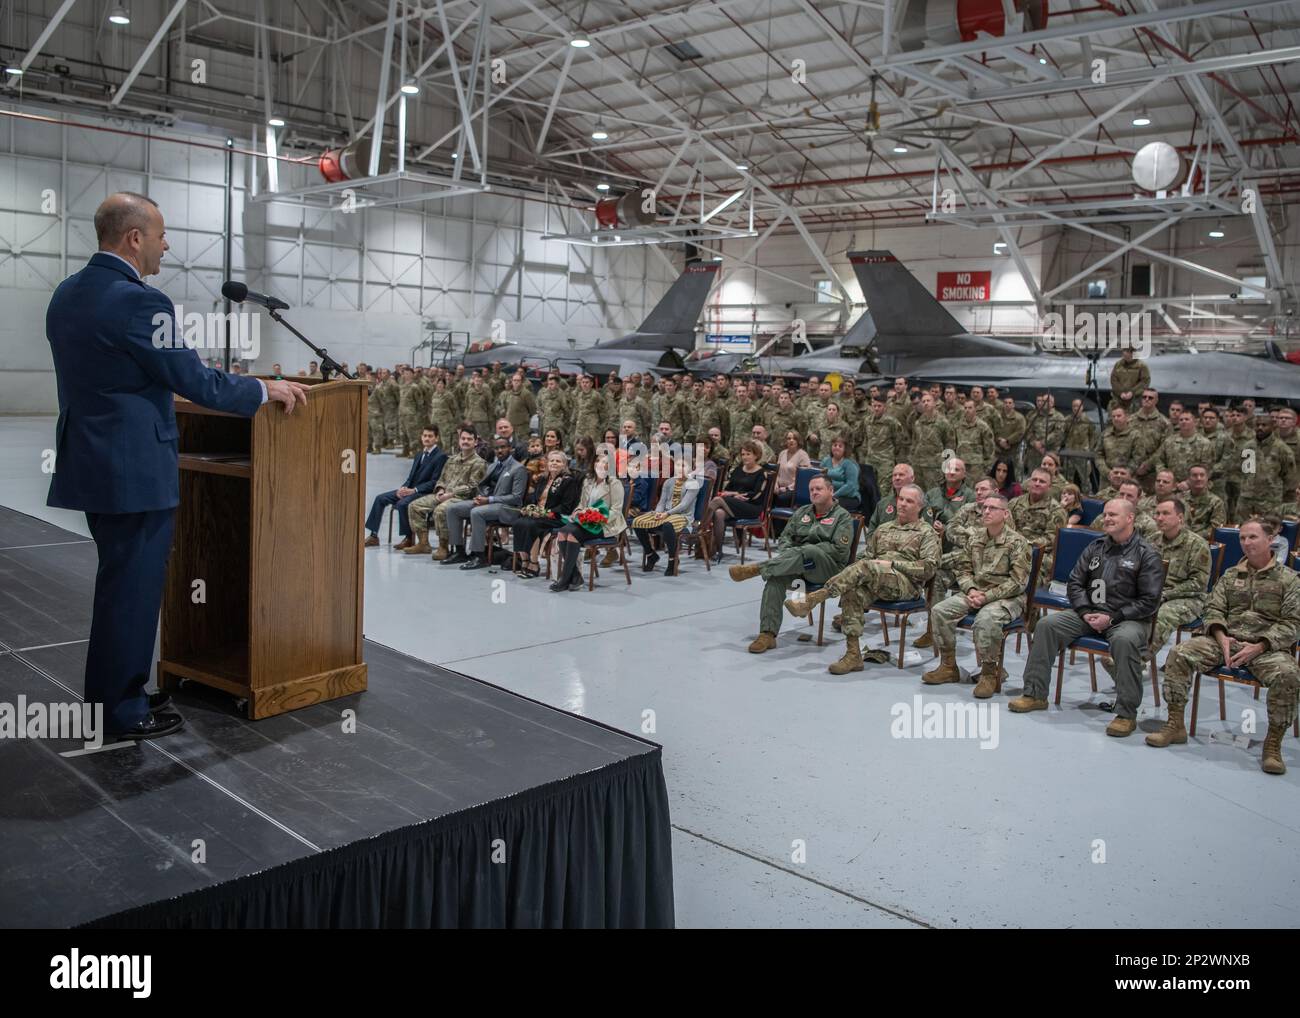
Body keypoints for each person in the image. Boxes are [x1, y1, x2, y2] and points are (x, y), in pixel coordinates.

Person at [46, 192, 306, 741]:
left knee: (120, 584)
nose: (168, 244)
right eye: (161, 234)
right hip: (134, 470)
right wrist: (264, 388)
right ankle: (119, 711)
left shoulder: (68, 294)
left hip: (91, 463)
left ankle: (118, 693)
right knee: (133, 590)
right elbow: (196, 381)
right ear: (134, 238)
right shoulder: (141, 302)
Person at [1007, 499, 1163, 736]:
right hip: (1088, 614)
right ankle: (1035, 694)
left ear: (1130, 518)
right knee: (1047, 625)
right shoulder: (1095, 547)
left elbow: (1149, 601)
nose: (1107, 519)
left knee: (1125, 640)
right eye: (1106, 514)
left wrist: (1112, 618)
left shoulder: (1146, 554)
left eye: (1113, 515)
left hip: (1126, 619)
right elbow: (1076, 582)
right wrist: (1084, 611)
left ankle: (1125, 713)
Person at [1155, 518, 1299, 772]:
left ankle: (1273, 744)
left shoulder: (1290, 580)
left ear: (1270, 540)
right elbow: (1213, 608)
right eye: (1242, 538)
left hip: (1266, 648)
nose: (1246, 542)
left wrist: (1261, 646)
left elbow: (1292, 623)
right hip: (1225, 641)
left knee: (1288, 674)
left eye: (1253, 537)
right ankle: (1175, 723)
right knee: (1179, 653)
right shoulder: (1231, 575)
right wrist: (1221, 637)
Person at [785, 484, 940, 673]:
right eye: (901, 499)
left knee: (868, 566)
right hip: (876, 579)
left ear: (920, 507)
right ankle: (853, 655)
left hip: (906, 585)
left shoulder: (926, 533)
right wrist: (853, 568)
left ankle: (815, 598)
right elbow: (867, 556)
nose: (903, 504)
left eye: (910, 501)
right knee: (853, 591)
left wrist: (892, 565)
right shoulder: (883, 529)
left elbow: (929, 568)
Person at [922, 493, 1033, 698]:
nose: (987, 511)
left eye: (993, 508)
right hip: (976, 592)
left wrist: (986, 597)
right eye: (985, 508)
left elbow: (1018, 582)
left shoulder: (1018, 542)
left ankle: (990, 673)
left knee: (986, 618)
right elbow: (963, 569)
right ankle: (948, 666)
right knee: (940, 610)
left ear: (1006, 514)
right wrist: (972, 590)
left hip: (1008, 597)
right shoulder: (975, 538)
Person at [728, 475, 854, 652]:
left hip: (827, 570)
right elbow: (785, 538)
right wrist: (791, 553)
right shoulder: (803, 512)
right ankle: (767, 634)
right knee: (775, 578)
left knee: (810, 551)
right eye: (811, 490)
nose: (814, 492)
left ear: (831, 491)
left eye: (819, 488)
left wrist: (804, 550)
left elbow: (838, 550)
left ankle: (758, 568)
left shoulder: (843, 517)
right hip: (798, 566)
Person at [443, 436, 530, 569]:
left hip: (508, 508)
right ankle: (459, 551)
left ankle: (479, 556)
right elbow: (483, 485)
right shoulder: (493, 466)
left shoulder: (518, 469)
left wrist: (489, 500)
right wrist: (481, 497)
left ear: (510, 449)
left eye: (503, 447)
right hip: (488, 503)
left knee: (477, 512)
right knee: (452, 509)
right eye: (497, 448)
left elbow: (516, 498)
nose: (499, 450)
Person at [404, 426, 488, 558]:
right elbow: (442, 478)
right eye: (463, 438)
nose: (465, 441)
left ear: (475, 442)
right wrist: (440, 489)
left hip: (463, 498)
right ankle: (423, 543)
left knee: (440, 510)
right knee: (414, 506)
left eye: (469, 439)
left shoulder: (479, 463)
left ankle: (443, 547)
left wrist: (450, 494)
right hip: (444, 494)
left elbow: (472, 486)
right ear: (459, 440)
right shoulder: (451, 460)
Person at [549, 454, 627, 592]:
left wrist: (599, 518)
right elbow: (582, 503)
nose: (600, 464)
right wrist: (578, 511)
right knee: (562, 533)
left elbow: (616, 510)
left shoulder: (614, 483)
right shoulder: (588, 481)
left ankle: (564, 579)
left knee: (572, 535)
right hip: (585, 520)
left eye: (605, 462)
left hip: (605, 524)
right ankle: (575, 576)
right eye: (598, 461)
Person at [1148, 498, 1212, 657]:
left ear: (1180, 518)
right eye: (1157, 513)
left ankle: (1135, 661)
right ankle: (1122, 653)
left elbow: (1198, 583)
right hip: (1156, 594)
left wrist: (1165, 595)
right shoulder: (1152, 540)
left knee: (1162, 614)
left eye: (1165, 513)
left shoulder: (1197, 544)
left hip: (1189, 599)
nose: (1160, 518)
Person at [364, 426, 446, 549]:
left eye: (430, 436)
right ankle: (373, 536)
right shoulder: (419, 455)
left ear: (436, 438)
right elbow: (411, 476)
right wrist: (403, 488)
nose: (426, 438)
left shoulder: (440, 456)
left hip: (424, 492)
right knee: (380, 498)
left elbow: (435, 482)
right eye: (424, 436)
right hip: (410, 489)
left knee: (403, 504)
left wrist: (414, 490)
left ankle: (408, 538)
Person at [511, 450, 581, 578]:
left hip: (557, 516)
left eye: (558, 461)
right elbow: (534, 499)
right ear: (547, 463)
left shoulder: (568, 481)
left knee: (531, 525)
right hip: (538, 514)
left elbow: (567, 506)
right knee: (518, 522)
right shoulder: (543, 479)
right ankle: (525, 560)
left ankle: (534, 563)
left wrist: (545, 512)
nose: (554, 463)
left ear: (564, 464)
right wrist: (528, 508)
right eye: (552, 460)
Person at [632, 455, 706, 576]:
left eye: (683, 466)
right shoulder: (668, 482)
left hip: (683, 516)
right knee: (637, 522)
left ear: (690, 468)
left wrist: (666, 514)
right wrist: (658, 513)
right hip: (664, 513)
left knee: (668, 525)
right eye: (677, 465)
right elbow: (662, 501)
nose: (680, 468)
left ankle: (672, 560)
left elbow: (684, 505)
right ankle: (651, 554)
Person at [705, 440, 767, 562]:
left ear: (756, 455)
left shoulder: (762, 473)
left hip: (751, 507)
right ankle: (718, 551)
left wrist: (736, 494)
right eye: (743, 454)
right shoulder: (738, 469)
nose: (744, 457)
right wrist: (734, 494)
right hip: (733, 504)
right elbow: (728, 489)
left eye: (748, 454)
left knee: (717, 499)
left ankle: (701, 527)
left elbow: (757, 495)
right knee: (719, 513)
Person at [820, 437, 861, 511]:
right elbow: (820, 479)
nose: (837, 448)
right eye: (835, 445)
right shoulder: (826, 461)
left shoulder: (850, 464)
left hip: (849, 497)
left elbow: (850, 486)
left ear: (845, 449)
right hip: (828, 494)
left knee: (829, 504)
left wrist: (833, 495)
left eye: (840, 446)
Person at [774, 430, 812, 507]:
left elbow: (803, 479)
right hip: (779, 488)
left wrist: (787, 488)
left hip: (793, 489)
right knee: (768, 493)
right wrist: (775, 484)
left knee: (781, 498)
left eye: (794, 438)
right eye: (789, 438)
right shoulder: (782, 453)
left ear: (798, 441)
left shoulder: (803, 455)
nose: (791, 440)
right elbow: (777, 472)